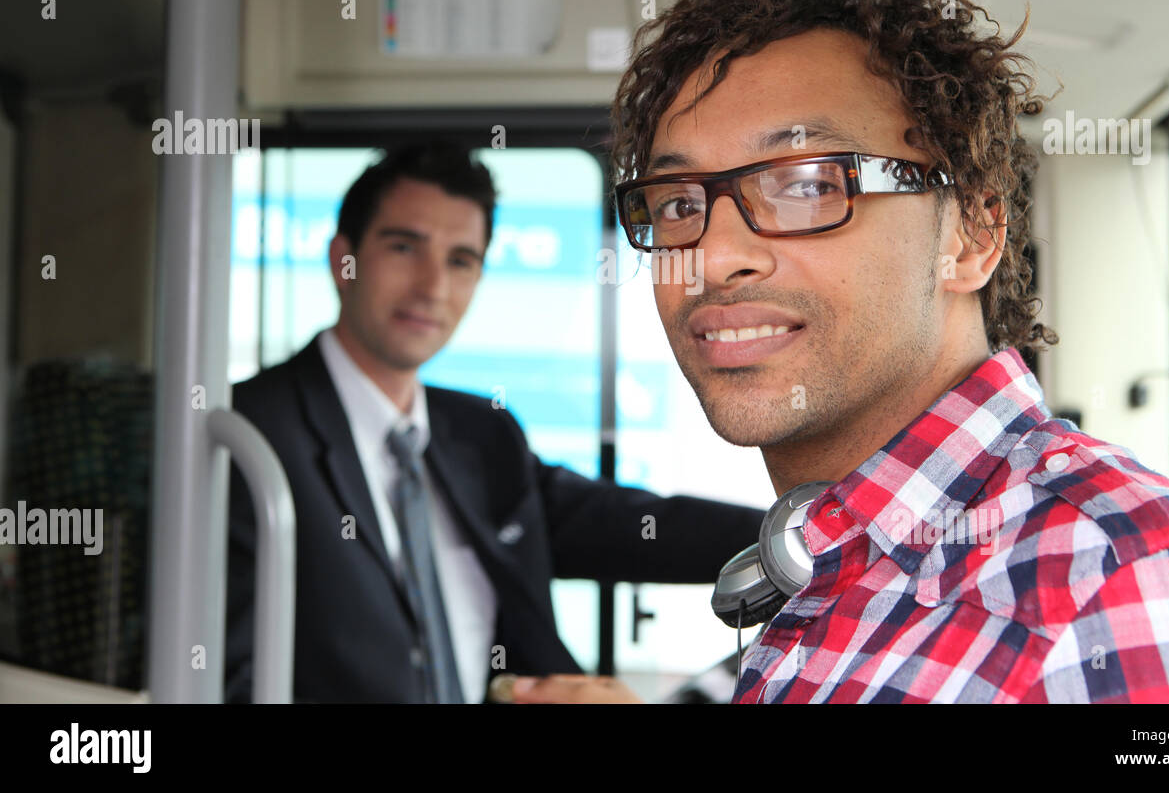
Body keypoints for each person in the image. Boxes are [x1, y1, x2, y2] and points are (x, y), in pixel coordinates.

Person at [591, 0, 1169, 703]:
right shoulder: (835, 565)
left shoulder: (1134, 591)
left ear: (970, 236)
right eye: (677, 202)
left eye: (809, 184)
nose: (713, 255)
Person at [223, 146, 765, 703]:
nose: (432, 286)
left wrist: (794, 537)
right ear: (345, 259)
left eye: (460, 260)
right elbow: (226, 679)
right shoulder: (247, 434)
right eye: (404, 247)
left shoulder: (481, 434)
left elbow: (625, 524)